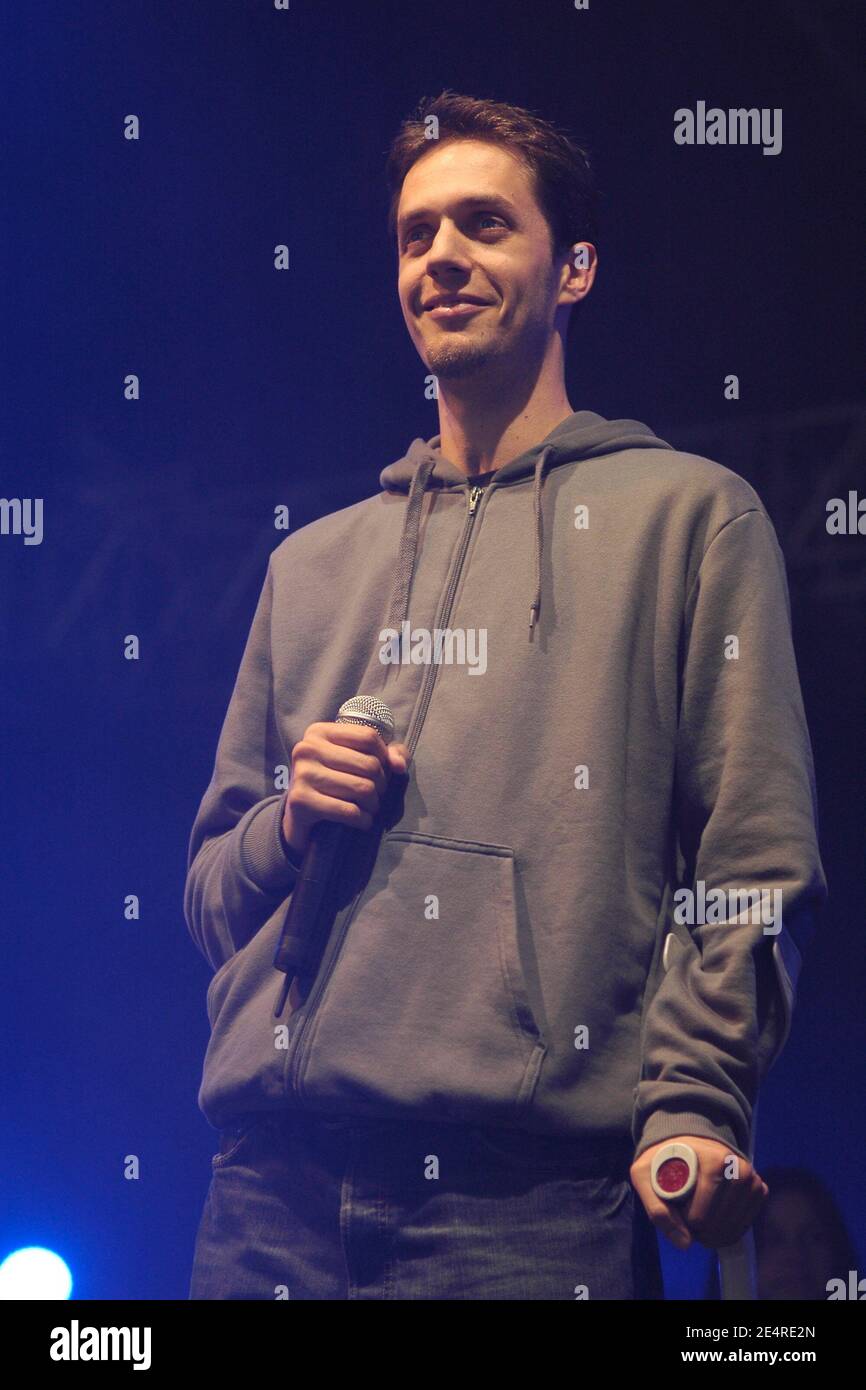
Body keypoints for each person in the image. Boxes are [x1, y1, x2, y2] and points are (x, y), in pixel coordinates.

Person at [184, 91, 827, 1300]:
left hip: (526, 1204)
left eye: (483, 223)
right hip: (266, 1193)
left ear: (573, 267)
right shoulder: (308, 564)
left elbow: (751, 859)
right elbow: (214, 904)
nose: (440, 257)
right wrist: (287, 820)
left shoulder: (689, 517)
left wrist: (690, 1103)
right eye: (415, 233)